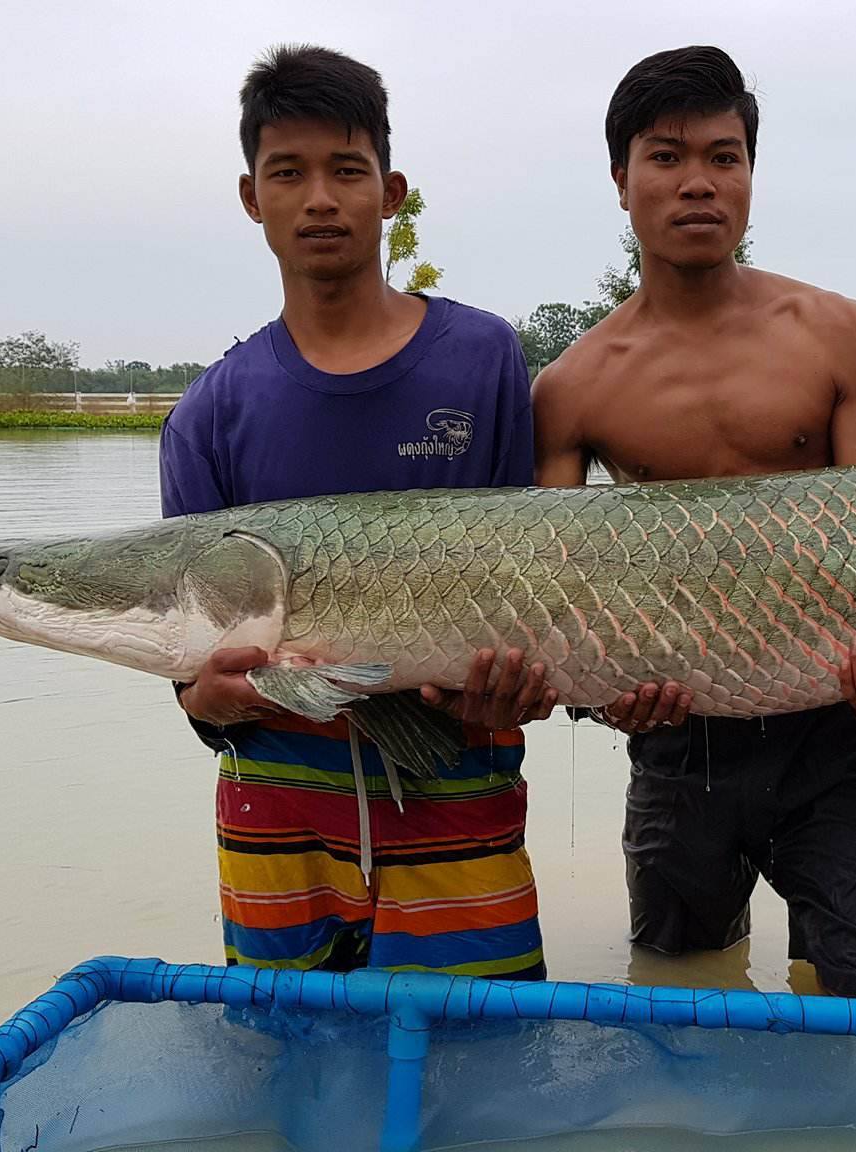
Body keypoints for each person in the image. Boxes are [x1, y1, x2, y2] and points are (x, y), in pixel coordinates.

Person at [532, 45, 856, 1000]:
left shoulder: (838, 334)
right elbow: (549, 585)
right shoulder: (574, 384)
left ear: (753, 174)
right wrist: (602, 694)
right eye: (667, 157)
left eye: (725, 156)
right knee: (676, 995)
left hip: (840, 738)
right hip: (679, 745)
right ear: (621, 179)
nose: (699, 184)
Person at [161, 44, 558, 976]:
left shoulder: (483, 358)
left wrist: (516, 684)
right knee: (293, 1080)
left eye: (347, 170)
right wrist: (201, 698)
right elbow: (189, 670)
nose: (320, 199)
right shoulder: (209, 413)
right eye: (287, 172)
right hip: (277, 813)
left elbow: (538, 574)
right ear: (252, 196)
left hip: (460, 790)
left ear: (393, 190)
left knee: (485, 1073)